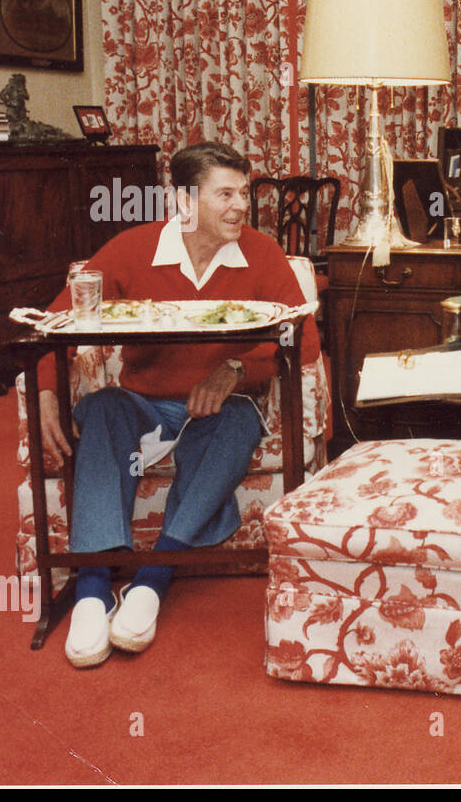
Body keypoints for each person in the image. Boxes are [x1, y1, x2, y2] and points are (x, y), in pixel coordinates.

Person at [36, 142, 321, 668]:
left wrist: (235, 369)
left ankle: (152, 579)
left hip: (218, 409)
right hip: (142, 404)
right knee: (102, 407)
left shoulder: (262, 253)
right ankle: (93, 588)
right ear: (184, 201)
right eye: (225, 194)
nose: (240, 206)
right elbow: (56, 323)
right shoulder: (130, 249)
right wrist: (47, 393)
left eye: (243, 193)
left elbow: (302, 343)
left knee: (238, 422)